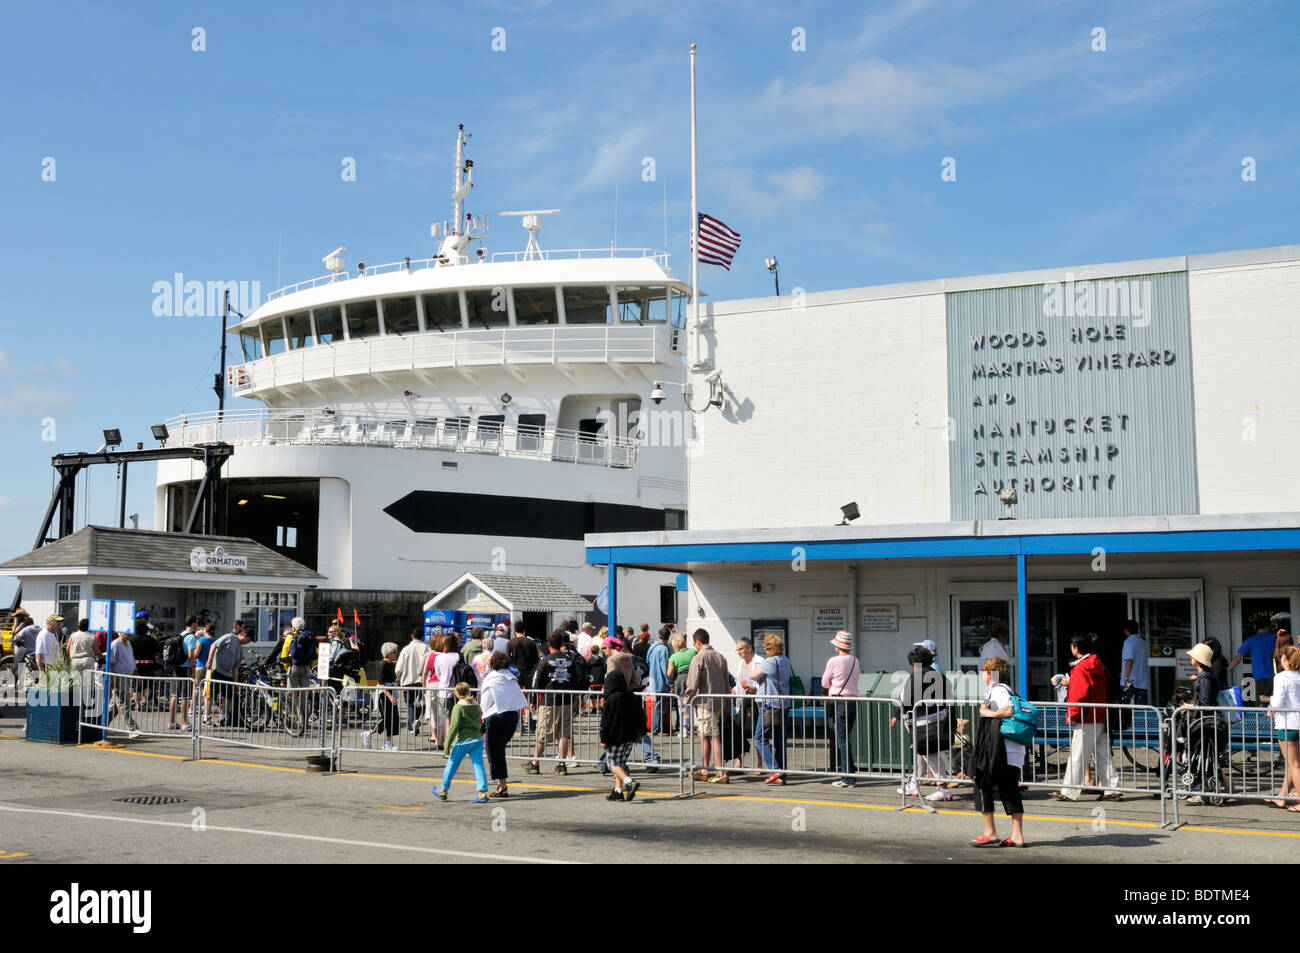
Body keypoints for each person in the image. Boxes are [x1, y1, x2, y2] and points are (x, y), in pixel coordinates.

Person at [1051, 633, 1121, 801]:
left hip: (1086, 717)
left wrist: (1073, 714)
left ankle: (1069, 791)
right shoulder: (1098, 664)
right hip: (1100, 713)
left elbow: (1079, 695)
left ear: (1076, 648)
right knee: (1103, 754)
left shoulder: (1080, 667)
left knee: (1078, 754)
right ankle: (1112, 788)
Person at [971, 656, 1027, 848]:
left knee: (981, 783)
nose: (981, 673)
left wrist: (989, 713)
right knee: (1009, 790)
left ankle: (990, 831)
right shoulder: (1006, 689)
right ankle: (1017, 835)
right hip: (1012, 751)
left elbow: (1008, 710)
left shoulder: (999, 690)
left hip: (1000, 751)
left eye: (983, 669)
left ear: (989, 673)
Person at [891, 645, 953, 801]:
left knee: (930, 753)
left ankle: (943, 788)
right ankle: (914, 784)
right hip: (940, 719)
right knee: (922, 752)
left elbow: (905, 700)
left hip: (921, 720)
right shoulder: (940, 676)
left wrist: (896, 716)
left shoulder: (915, 676)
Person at [525, 630, 586, 775]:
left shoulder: (545, 661)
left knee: (542, 733)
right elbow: (576, 680)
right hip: (566, 701)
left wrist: (533, 701)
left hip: (549, 701)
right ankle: (561, 764)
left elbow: (537, 682)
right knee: (564, 734)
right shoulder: (570, 660)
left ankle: (535, 763)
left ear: (548, 645)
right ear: (562, 644)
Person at [683, 629, 731, 783]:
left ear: (698, 642)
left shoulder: (699, 658)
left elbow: (692, 683)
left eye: (694, 644)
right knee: (707, 736)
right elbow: (727, 683)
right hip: (719, 702)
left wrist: (687, 698)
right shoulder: (720, 657)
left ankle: (721, 772)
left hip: (705, 702)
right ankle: (705, 770)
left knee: (712, 737)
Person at [480, 651, 527, 798]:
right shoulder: (511, 678)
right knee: (499, 750)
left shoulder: (490, 679)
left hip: (496, 717)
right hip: (512, 717)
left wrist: (482, 720)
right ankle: (501, 784)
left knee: (494, 752)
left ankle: (503, 786)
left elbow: (485, 703)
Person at [434, 681, 488, 802]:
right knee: (478, 766)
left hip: (462, 740)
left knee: (451, 765)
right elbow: (481, 719)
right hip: (476, 739)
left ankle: (443, 790)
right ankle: (482, 792)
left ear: (456, 694)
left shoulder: (458, 707)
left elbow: (454, 727)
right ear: (469, 691)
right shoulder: (476, 705)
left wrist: (446, 746)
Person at [821, 630, 862, 788]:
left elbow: (825, 682)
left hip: (839, 701)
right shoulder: (855, 660)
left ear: (838, 646)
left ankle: (848, 777)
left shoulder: (833, 661)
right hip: (853, 701)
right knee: (845, 739)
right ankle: (849, 771)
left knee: (842, 740)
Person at [753, 634, 792, 785]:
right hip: (784, 704)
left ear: (768, 648)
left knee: (759, 737)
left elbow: (753, 675)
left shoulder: (769, 662)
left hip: (770, 705)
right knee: (780, 740)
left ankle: (775, 769)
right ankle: (782, 774)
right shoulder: (785, 660)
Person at [600, 669, 644, 802]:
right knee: (621, 763)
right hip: (629, 737)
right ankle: (618, 790)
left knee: (612, 764)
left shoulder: (611, 699)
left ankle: (629, 782)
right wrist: (642, 731)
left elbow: (605, 722)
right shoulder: (632, 696)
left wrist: (603, 739)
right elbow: (641, 716)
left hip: (614, 737)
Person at [1266, 644, 1300, 812]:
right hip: (1298, 723)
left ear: (1284, 658)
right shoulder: (1298, 676)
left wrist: (1271, 701)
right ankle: (1282, 796)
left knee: (1294, 764)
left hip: (1288, 724)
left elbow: (1278, 703)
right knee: (1292, 763)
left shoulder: (1281, 677)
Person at [206, 624, 251, 727]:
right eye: (248, 640)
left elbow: (236, 667)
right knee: (212, 694)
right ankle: (207, 717)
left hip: (229, 674)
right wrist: (209, 660)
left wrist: (235, 683)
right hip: (217, 670)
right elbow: (214, 645)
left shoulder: (240, 648)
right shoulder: (230, 637)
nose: (247, 643)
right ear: (244, 635)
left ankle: (222, 717)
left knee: (228, 697)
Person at [1230, 621, 1279, 704]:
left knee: (1261, 706)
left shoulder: (1250, 640)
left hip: (1259, 679)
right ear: (1266, 627)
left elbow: (1238, 658)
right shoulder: (1274, 638)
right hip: (1275, 678)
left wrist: (1227, 669)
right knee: (1276, 705)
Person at [106, 627, 142, 738]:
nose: (129, 634)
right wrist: (111, 678)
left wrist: (136, 674)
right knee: (123, 702)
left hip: (126, 676)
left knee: (115, 705)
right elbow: (111, 662)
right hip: (118, 676)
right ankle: (132, 728)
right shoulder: (115, 644)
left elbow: (131, 660)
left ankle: (101, 725)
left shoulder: (128, 644)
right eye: (126, 632)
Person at [426, 633, 460, 745]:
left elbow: (438, 673)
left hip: (443, 690)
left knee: (443, 718)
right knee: (454, 718)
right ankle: (452, 742)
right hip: (456, 691)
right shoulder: (459, 656)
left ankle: (440, 741)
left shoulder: (439, 657)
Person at [395, 625, 430, 734]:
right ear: (423, 636)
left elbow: (398, 668)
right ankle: (418, 719)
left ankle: (411, 725)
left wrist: (398, 679)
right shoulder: (428, 648)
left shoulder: (406, 649)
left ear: (412, 636)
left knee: (410, 704)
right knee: (422, 704)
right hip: (422, 682)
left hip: (408, 682)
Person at [167, 616, 199, 731]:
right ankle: (185, 723)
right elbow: (191, 656)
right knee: (185, 696)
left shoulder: (181, 634)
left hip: (175, 668)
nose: (197, 626)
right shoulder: (190, 637)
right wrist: (193, 669)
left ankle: (171, 722)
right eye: (196, 623)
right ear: (193, 624)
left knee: (174, 696)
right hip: (185, 668)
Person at [646, 625, 673, 734]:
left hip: (653, 680)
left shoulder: (652, 647)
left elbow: (648, 661)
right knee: (660, 706)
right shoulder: (664, 650)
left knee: (657, 705)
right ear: (668, 637)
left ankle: (658, 727)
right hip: (661, 682)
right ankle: (656, 728)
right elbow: (666, 668)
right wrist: (670, 683)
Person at [374, 642, 400, 750]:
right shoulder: (382, 664)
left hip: (391, 692)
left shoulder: (391, 664)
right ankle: (372, 733)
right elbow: (381, 683)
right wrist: (390, 696)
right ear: (388, 653)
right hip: (384, 693)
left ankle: (388, 742)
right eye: (394, 652)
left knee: (393, 717)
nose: (395, 654)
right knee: (386, 717)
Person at [1120, 619, 1150, 706]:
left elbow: (1129, 660)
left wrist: (1126, 679)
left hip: (1130, 682)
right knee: (1140, 711)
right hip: (1142, 681)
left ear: (1126, 630)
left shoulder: (1128, 642)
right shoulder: (1143, 643)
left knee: (1127, 709)